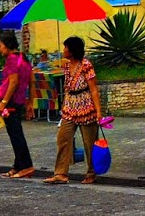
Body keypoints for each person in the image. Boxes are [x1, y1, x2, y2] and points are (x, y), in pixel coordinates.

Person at [46, 36, 101, 185]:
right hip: (70, 105)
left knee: (89, 142)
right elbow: (67, 88)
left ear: (72, 50)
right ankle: (60, 173)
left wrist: (98, 111)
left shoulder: (86, 65)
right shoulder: (66, 66)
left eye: (66, 47)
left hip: (85, 104)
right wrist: (64, 107)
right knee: (63, 138)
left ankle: (91, 172)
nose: (63, 50)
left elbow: (93, 89)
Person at [0, 31, 34, 178]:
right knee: (15, 133)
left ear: (8, 46)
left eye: (0, 46)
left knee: (16, 135)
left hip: (11, 101)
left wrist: (3, 103)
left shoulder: (11, 60)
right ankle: (18, 165)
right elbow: (31, 80)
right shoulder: (24, 58)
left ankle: (26, 165)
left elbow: (13, 82)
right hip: (20, 99)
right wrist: (31, 101)